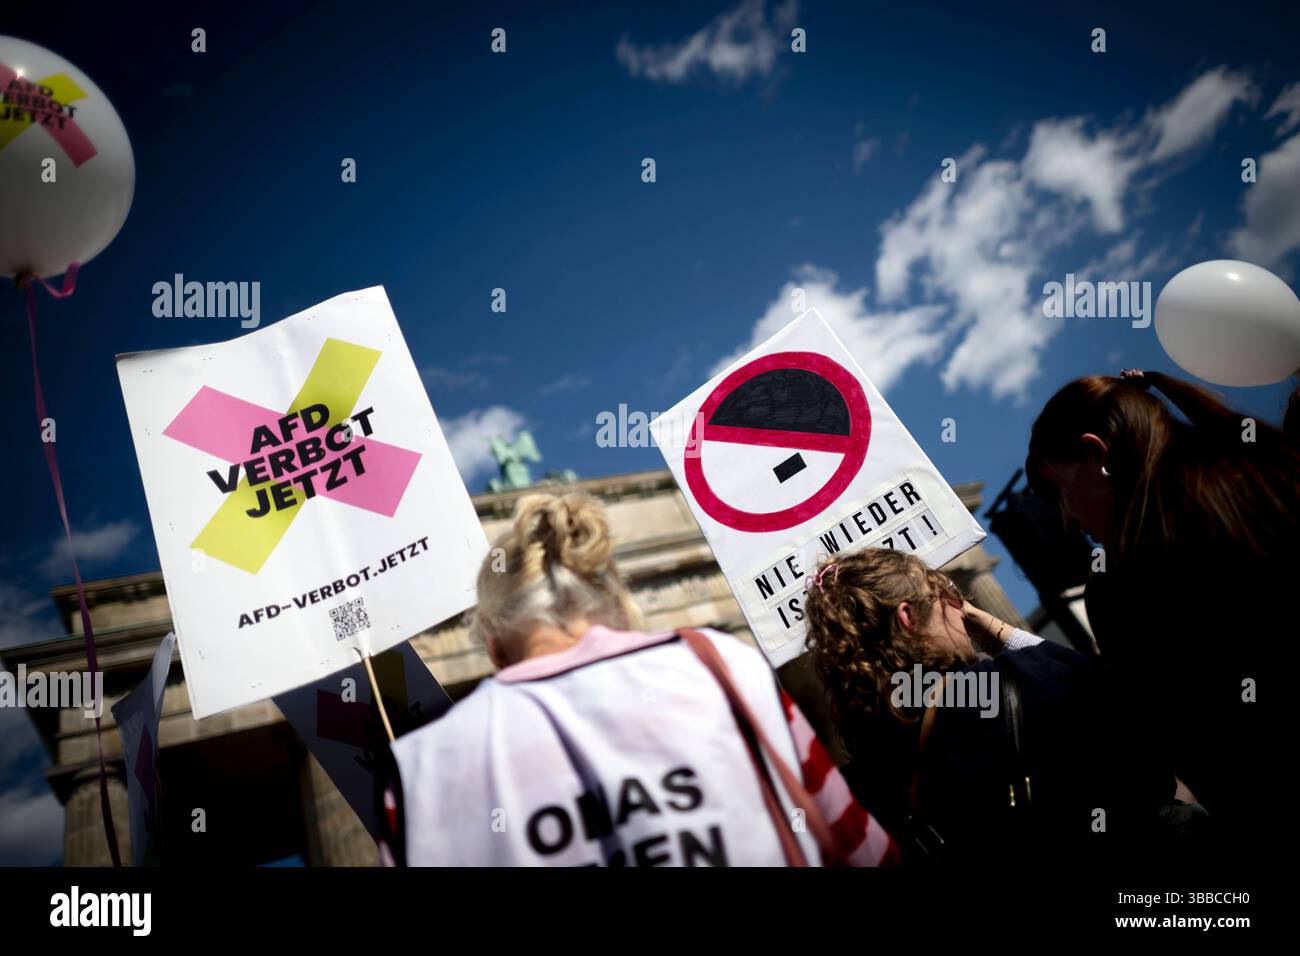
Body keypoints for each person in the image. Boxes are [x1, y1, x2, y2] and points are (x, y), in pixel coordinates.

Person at [382, 491, 897, 867]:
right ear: (618, 603)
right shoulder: (721, 667)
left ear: (493, 642)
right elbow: (863, 850)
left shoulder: (416, 773)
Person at [1025, 369, 1299, 857]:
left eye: (1061, 493)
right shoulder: (1269, 465)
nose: (1068, 520)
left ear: (1097, 454)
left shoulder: (1123, 585)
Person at [802, 547, 1168, 865]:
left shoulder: (862, 770)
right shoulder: (1007, 684)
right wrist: (1003, 633)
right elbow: (1132, 718)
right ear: (908, 617)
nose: (963, 610)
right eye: (947, 594)